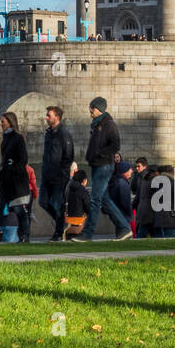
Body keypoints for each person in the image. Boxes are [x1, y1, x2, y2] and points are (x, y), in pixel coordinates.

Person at [70, 97, 132, 242]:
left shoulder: (108, 124)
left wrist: (99, 154)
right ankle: (124, 228)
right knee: (104, 200)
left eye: (92, 107)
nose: (90, 110)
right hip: (98, 165)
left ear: (99, 109)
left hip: (104, 166)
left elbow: (115, 145)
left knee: (95, 200)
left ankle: (87, 233)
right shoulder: (97, 124)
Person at [0, 111, 30, 244]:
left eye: (3, 121)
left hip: (16, 182)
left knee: (19, 209)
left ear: (10, 122)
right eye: (1, 121)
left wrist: (12, 168)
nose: (1, 124)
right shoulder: (5, 138)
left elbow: (23, 159)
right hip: (5, 181)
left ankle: (25, 236)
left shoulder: (18, 138)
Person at [38, 106, 74, 241]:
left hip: (59, 177)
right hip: (47, 175)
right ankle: (62, 224)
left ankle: (58, 233)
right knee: (42, 202)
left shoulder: (64, 134)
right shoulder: (49, 133)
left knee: (58, 205)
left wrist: (62, 172)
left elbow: (69, 156)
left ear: (57, 118)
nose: (46, 118)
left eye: (49, 115)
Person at [107, 154, 136, 238]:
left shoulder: (117, 181)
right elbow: (125, 202)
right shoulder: (122, 183)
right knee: (125, 235)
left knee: (121, 234)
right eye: (130, 169)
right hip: (124, 216)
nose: (132, 171)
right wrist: (130, 213)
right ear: (124, 170)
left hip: (119, 214)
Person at [63, 169, 91, 240]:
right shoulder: (83, 190)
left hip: (67, 220)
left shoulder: (68, 188)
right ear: (84, 180)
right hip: (80, 221)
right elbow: (88, 207)